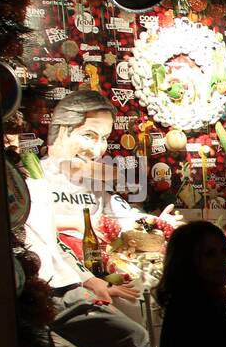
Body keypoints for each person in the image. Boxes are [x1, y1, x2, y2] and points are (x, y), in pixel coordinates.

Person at [22, 148, 155, 347]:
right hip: (38, 289)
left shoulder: (32, 180)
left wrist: (90, 280)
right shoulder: (22, 181)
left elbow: (53, 242)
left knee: (137, 339)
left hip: (63, 284)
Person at [35, 90, 185, 244]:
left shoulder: (93, 180)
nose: (98, 150)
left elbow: (124, 216)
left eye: (104, 138)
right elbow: (29, 220)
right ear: (62, 130)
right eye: (89, 135)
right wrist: (77, 223)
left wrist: (157, 223)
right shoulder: (35, 176)